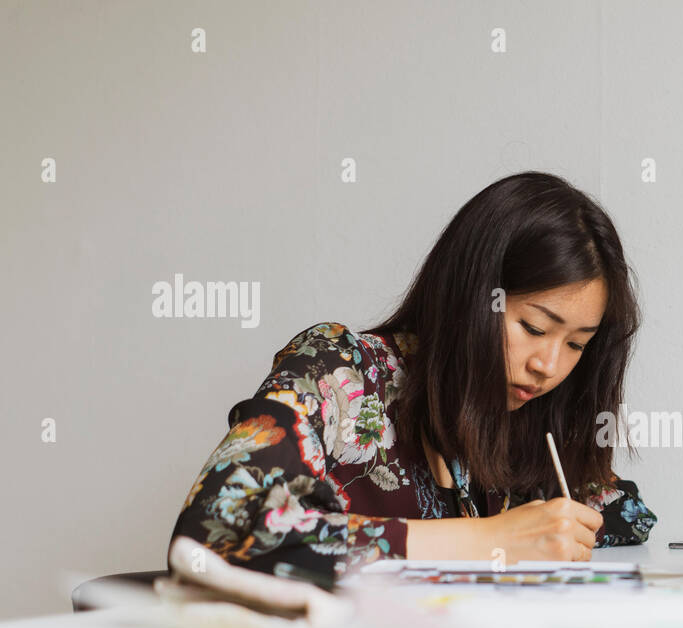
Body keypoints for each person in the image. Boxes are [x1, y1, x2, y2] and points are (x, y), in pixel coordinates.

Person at [167, 171, 656, 587]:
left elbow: (626, 511)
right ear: (474, 295)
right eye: (533, 327)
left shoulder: (518, 416)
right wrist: (489, 539)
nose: (548, 365)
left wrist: (557, 526)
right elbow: (215, 532)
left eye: (576, 344)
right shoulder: (339, 371)